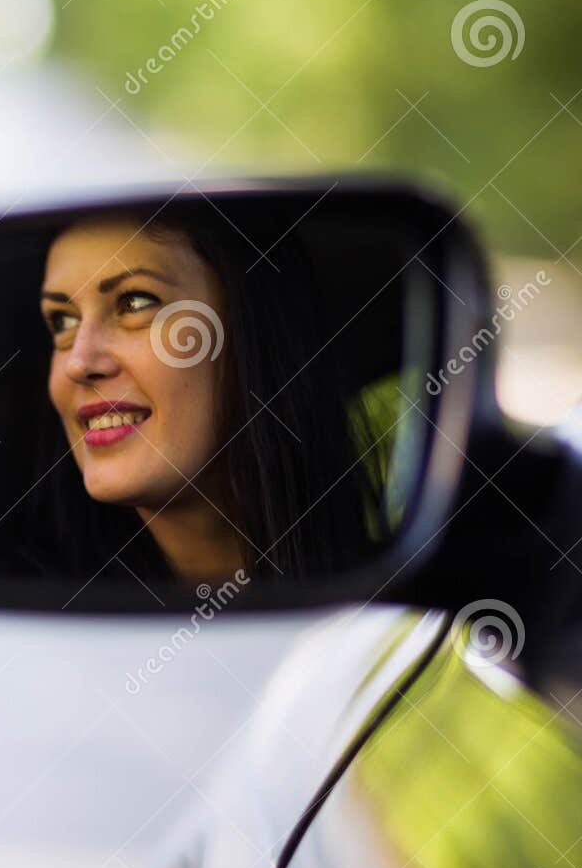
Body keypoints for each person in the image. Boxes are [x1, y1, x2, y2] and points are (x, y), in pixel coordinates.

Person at [26, 204, 386, 586]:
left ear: (252, 332)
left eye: (135, 302)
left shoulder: (394, 591)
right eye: (62, 321)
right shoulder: (25, 615)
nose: (78, 364)